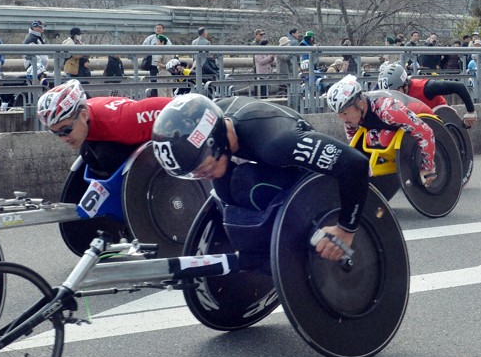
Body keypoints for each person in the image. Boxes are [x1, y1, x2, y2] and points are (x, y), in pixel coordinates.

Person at [150, 92, 370, 262]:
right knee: (224, 190)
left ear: (214, 141)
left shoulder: (277, 142)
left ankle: (294, 244)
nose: (199, 174)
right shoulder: (212, 117)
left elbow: (356, 164)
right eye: (192, 172)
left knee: (244, 182)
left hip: (312, 178)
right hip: (272, 162)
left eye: (199, 165)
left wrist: (346, 228)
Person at [36, 79, 172, 177]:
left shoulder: (124, 120)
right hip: (113, 135)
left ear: (83, 115)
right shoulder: (83, 115)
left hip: (156, 139)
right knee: (88, 153)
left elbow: (177, 106)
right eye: (56, 133)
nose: (63, 138)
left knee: (106, 154)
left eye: (66, 130)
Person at [326, 74, 437, 187]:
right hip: (393, 126)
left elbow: (426, 132)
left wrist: (428, 168)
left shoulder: (387, 109)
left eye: (345, 113)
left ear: (359, 103)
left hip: (423, 120)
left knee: (381, 138)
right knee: (370, 138)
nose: (343, 119)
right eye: (339, 114)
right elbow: (355, 147)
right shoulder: (350, 119)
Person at [377, 61, 477, 127]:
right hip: (416, 121)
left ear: (405, 86)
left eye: (395, 92)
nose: (392, 97)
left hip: (440, 119)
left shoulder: (426, 88)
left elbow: (459, 86)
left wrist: (471, 112)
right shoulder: (386, 87)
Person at [22, 20, 48, 86]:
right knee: (36, 88)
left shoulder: (38, 37)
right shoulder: (32, 38)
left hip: (38, 68)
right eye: (41, 27)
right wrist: (40, 65)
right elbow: (30, 54)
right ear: (34, 27)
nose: (43, 28)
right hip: (35, 68)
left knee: (38, 88)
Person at [253, 29, 276, 97]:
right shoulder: (254, 45)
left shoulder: (264, 48)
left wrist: (271, 58)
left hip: (267, 71)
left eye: (262, 35)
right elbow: (261, 61)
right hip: (259, 70)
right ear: (256, 35)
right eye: (260, 35)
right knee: (260, 87)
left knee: (266, 88)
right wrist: (269, 57)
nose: (262, 36)